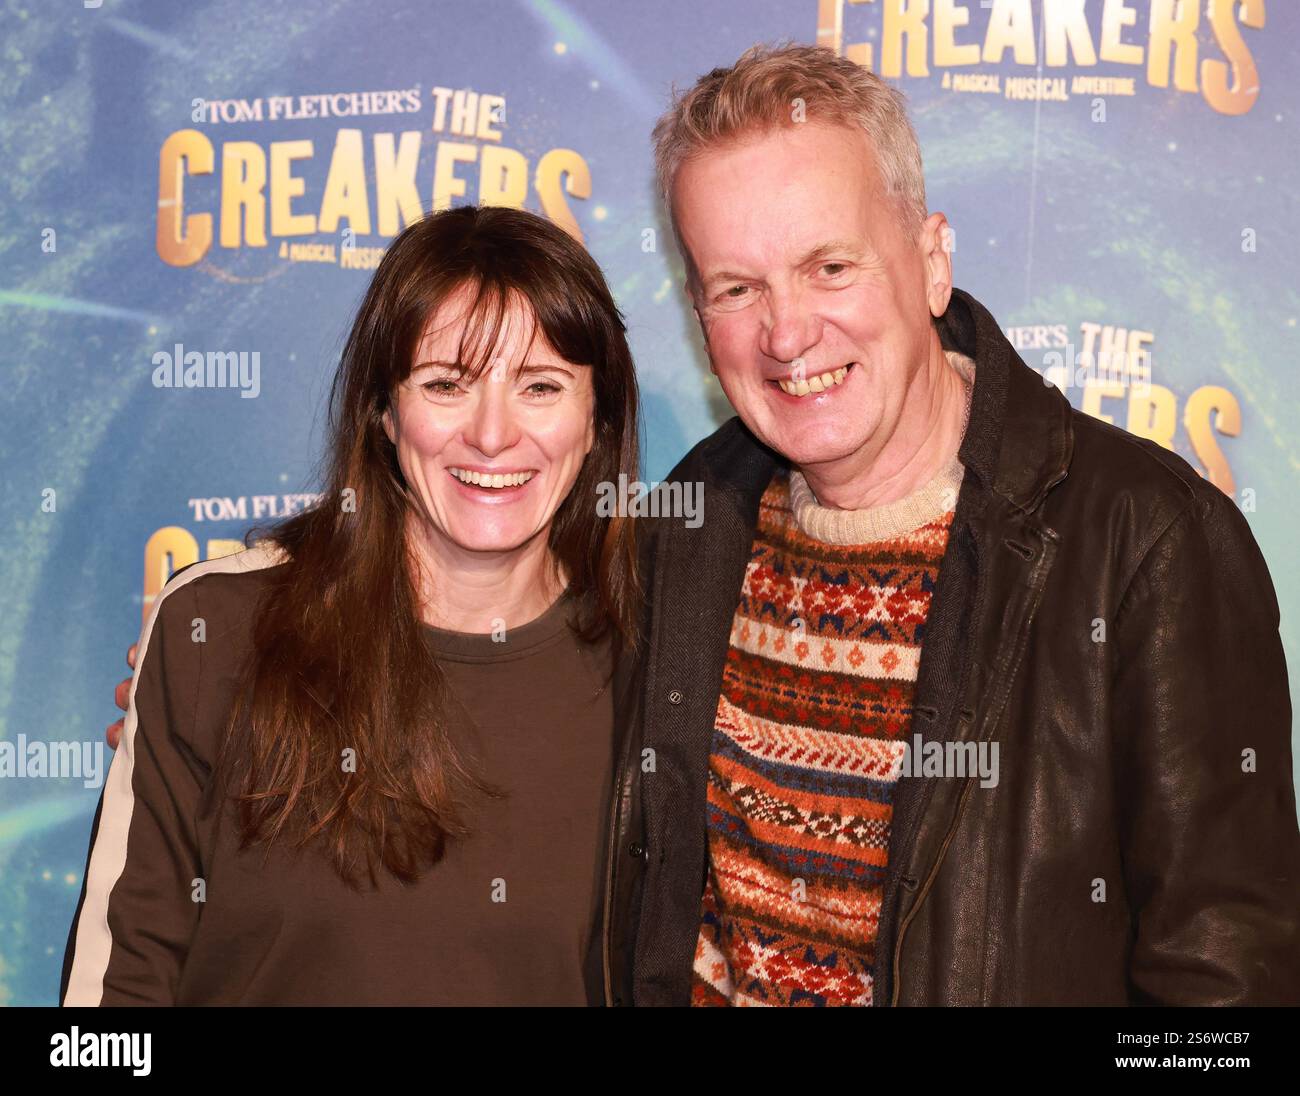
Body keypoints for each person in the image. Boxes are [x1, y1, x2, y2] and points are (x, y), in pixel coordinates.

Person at [604, 43, 1300, 1006]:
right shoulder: (688, 526)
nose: (787, 332)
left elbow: (1226, 993)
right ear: (698, 311)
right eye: (739, 288)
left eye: (830, 267)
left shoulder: (1147, 543)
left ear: (931, 263)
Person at [64, 204, 642, 1005]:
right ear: (383, 410)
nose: (493, 433)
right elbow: (116, 999)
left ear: (597, 419)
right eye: (446, 385)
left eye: (541, 386)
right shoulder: (219, 631)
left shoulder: (652, 671)